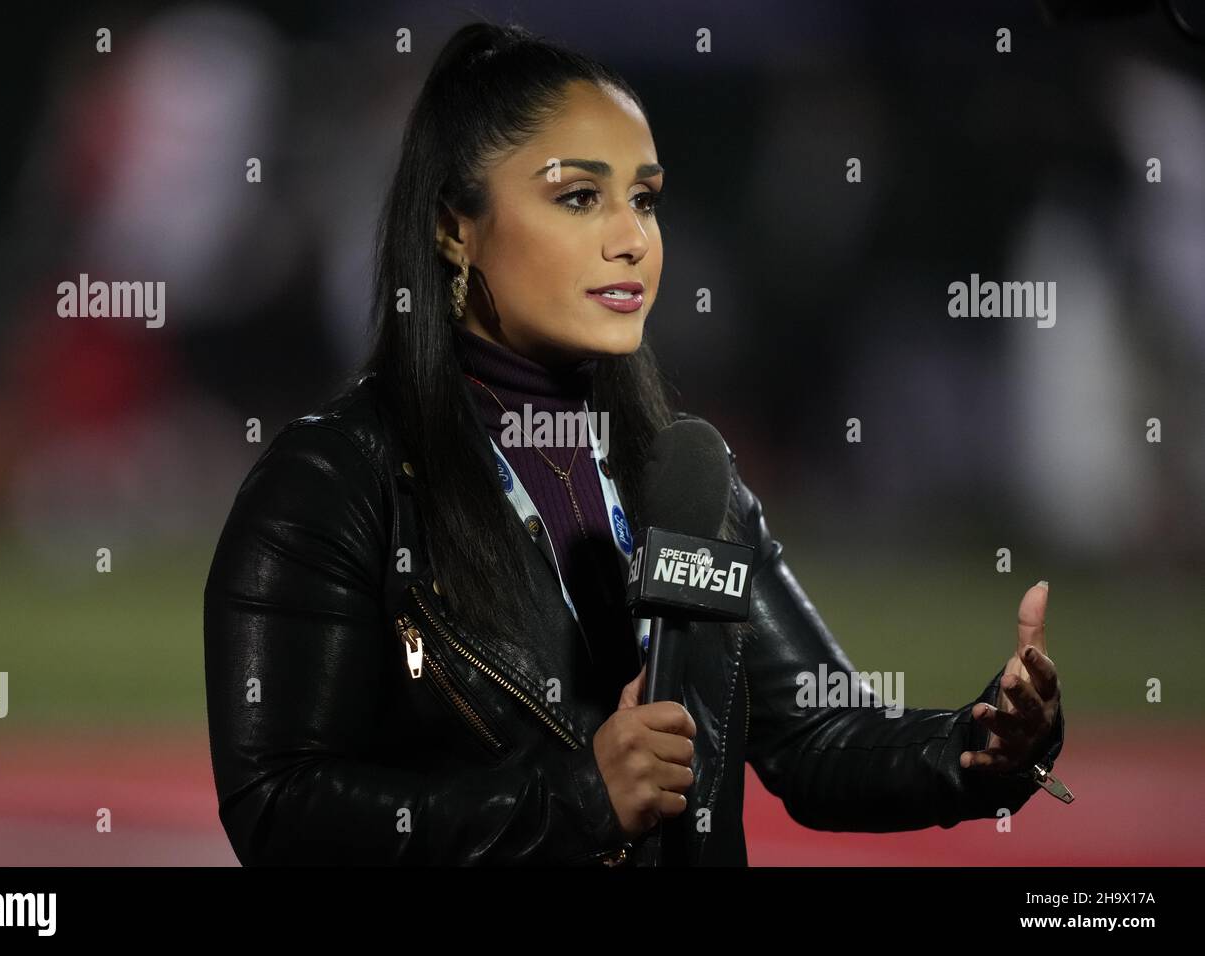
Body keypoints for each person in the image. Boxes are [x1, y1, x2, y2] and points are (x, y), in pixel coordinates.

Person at [202, 21, 1067, 867]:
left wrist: (982, 743)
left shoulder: (681, 475)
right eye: (580, 197)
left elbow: (816, 736)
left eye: (644, 199)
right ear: (453, 227)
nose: (633, 240)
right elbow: (280, 810)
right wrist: (579, 798)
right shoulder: (332, 481)